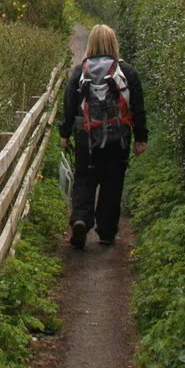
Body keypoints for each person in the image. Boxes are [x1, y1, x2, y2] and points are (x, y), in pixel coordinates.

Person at [58, 23, 147, 249]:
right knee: (112, 183)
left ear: (91, 44)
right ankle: (106, 232)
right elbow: (138, 107)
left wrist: (65, 134)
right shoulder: (127, 72)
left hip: (86, 137)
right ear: (113, 43)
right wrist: (141, 138)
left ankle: (80, 218)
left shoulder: (80, 72)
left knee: (85, 180)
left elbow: (69, 105)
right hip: (119, 138)